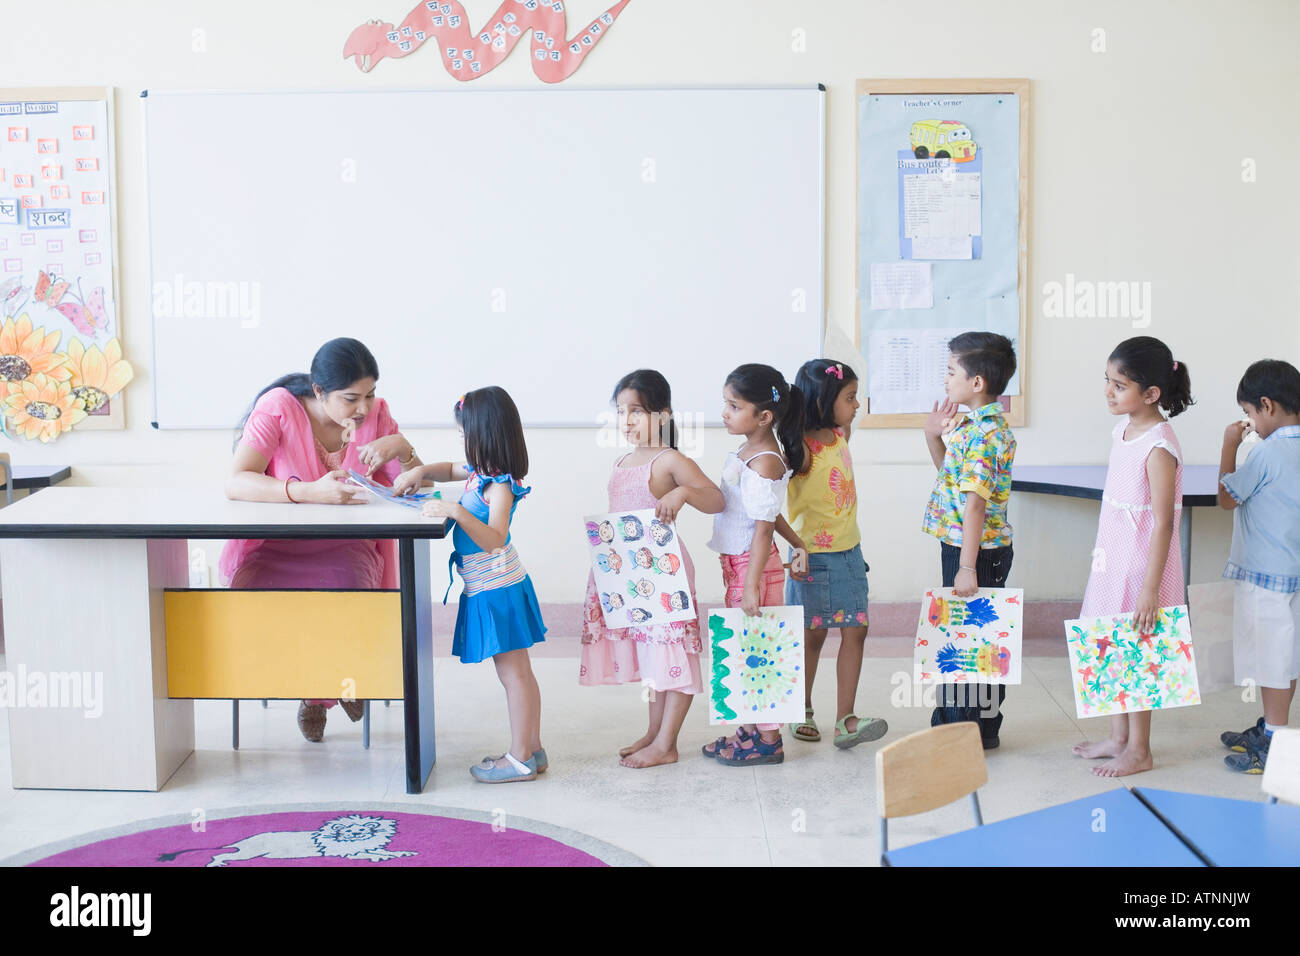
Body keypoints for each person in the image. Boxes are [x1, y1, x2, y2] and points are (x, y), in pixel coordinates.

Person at [222, 337, 422, 742]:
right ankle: (330, 683)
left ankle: (321, 693)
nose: (363, 408)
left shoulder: (377, 416)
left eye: (370, 394)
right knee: (252, 601)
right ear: (319, 391)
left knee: (345, 599)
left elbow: (421, 485)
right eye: (351, 398)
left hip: (348, 548)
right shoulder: (278, 409)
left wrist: (403, 448)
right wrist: (307, 491)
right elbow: (236, 481)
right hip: (277, 547)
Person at [396, 387, 547, 783]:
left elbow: (495, 536)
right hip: (494, 586)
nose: (462, 443)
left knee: (514, 675)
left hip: (498, 587)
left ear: (486, 435)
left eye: (465, 435)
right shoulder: (481, 473)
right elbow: (449, 469)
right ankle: (531, 748)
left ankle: (519, 759)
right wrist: (420, 471)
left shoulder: (500, 485)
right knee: (519, 673)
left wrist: (456, 511)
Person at [579, 370, 724, 768]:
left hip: (664, 575)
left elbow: (716, 500)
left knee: (672, 651)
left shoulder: (670, 460)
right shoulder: (622, 459)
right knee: (653, 656)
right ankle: (654, 733)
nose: (626, 420)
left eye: (637, 411)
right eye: (622, 411)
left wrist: (682, 491)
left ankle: (667, 743)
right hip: (628, 573)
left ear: (663, 414)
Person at [1072, 336, 1193, 777]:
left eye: (1119, 385)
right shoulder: (1123, 431)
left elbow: (1163, 523)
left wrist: (1149, 591)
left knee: (1138, 653)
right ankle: (1118, 736)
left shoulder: (1159, 444)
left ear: (1151, 394)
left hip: (1142, 567)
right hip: (1113, 559)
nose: (1109, 391)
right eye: (1108, 380)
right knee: (1110, 643)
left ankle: (1139, 748)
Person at [702, 364, 808, 766]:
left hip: (755, 568)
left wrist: (750, 585)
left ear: (764, 416)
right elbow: (766, 512)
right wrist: (798, 542)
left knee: (761, 650)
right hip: (742, 564)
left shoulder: (766, 460)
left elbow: (763, 531)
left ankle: (768, 740)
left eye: (734, 405)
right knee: (744, 648)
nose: (725, 412)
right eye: (725, 403)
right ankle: (748, 729)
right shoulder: (748, 451)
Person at [783, 359, 888, 748]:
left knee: (856, 629)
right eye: (850, 397)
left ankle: (846, 718)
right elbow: (769, 507)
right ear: (823, 400)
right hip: (813, 559)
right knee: (812, 636)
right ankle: (801, 708)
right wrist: (795, 547)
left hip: (849, 553)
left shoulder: (839, 434)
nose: (857, 404)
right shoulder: (798, 449)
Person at [921, 333, 1017, 749]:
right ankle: (979, 731)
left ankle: (958, 735)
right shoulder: (974, 428)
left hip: (974, 553)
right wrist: (933, 437)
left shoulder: (984, 434)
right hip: (969, 548)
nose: (945, 380)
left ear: (976, 383)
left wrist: (965, 566)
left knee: (966, 643)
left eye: (950, 371)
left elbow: (975, 507)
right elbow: (953, 479)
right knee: (980, 639)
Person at [1216, 359, 1300, 773]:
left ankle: (1277, 745)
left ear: (1266, 405)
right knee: (1287, 656)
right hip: (1294, 575)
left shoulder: (1268, 452)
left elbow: (1228, 497)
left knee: (1271, 660)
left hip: (1267, 576)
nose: (1250, 421)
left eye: (1249, 413)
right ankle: (1273, 727)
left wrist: (1230, 445)